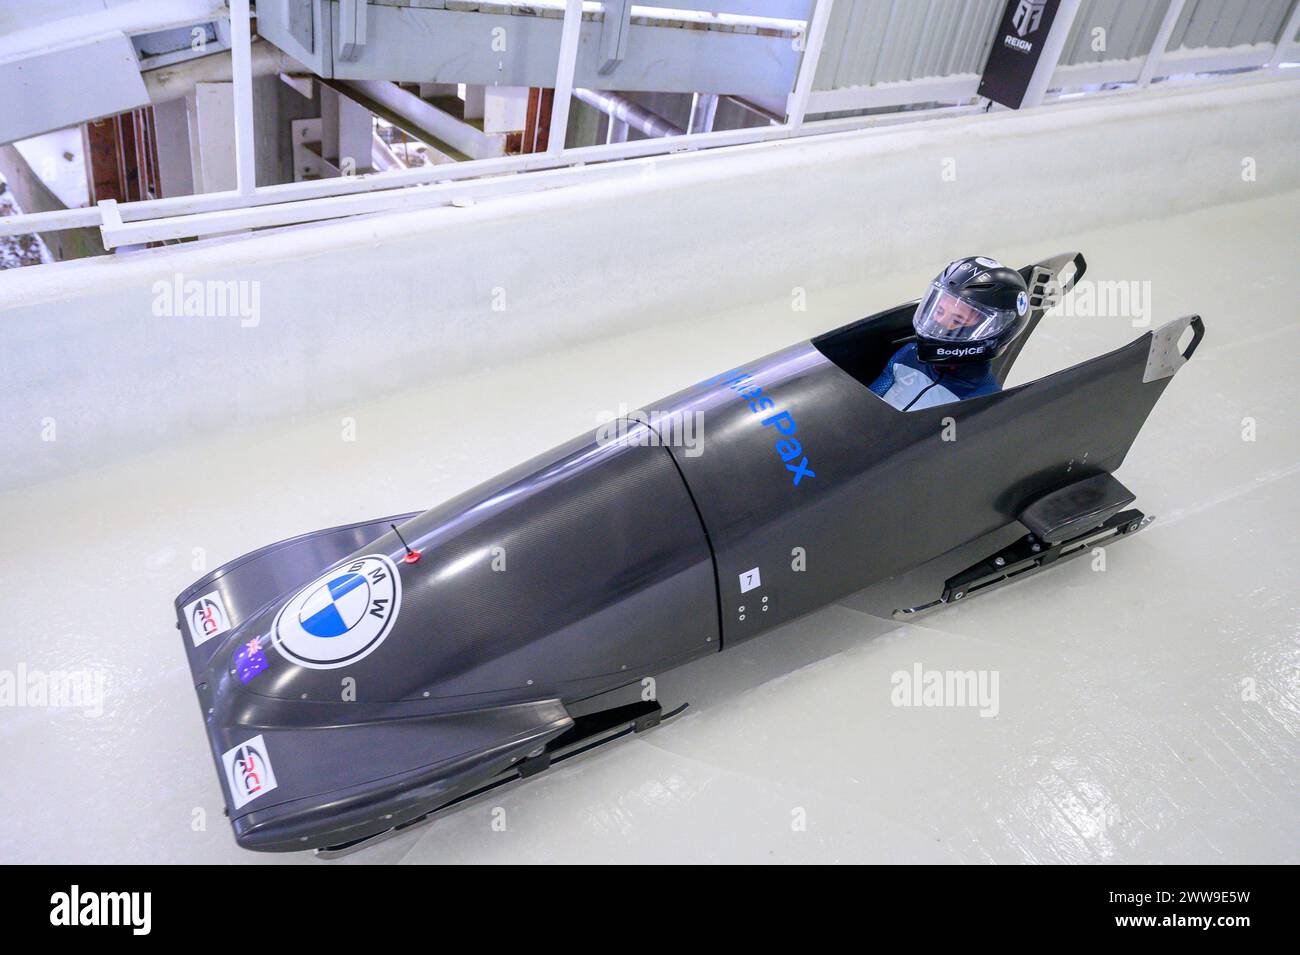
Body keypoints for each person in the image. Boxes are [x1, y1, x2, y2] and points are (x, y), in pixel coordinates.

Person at [870, 256, 1031, 411]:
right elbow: (868, 404)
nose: (939, 325)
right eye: (939, 311)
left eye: (958, 320)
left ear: (993, 333)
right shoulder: (908, 354)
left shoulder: (982, 400)